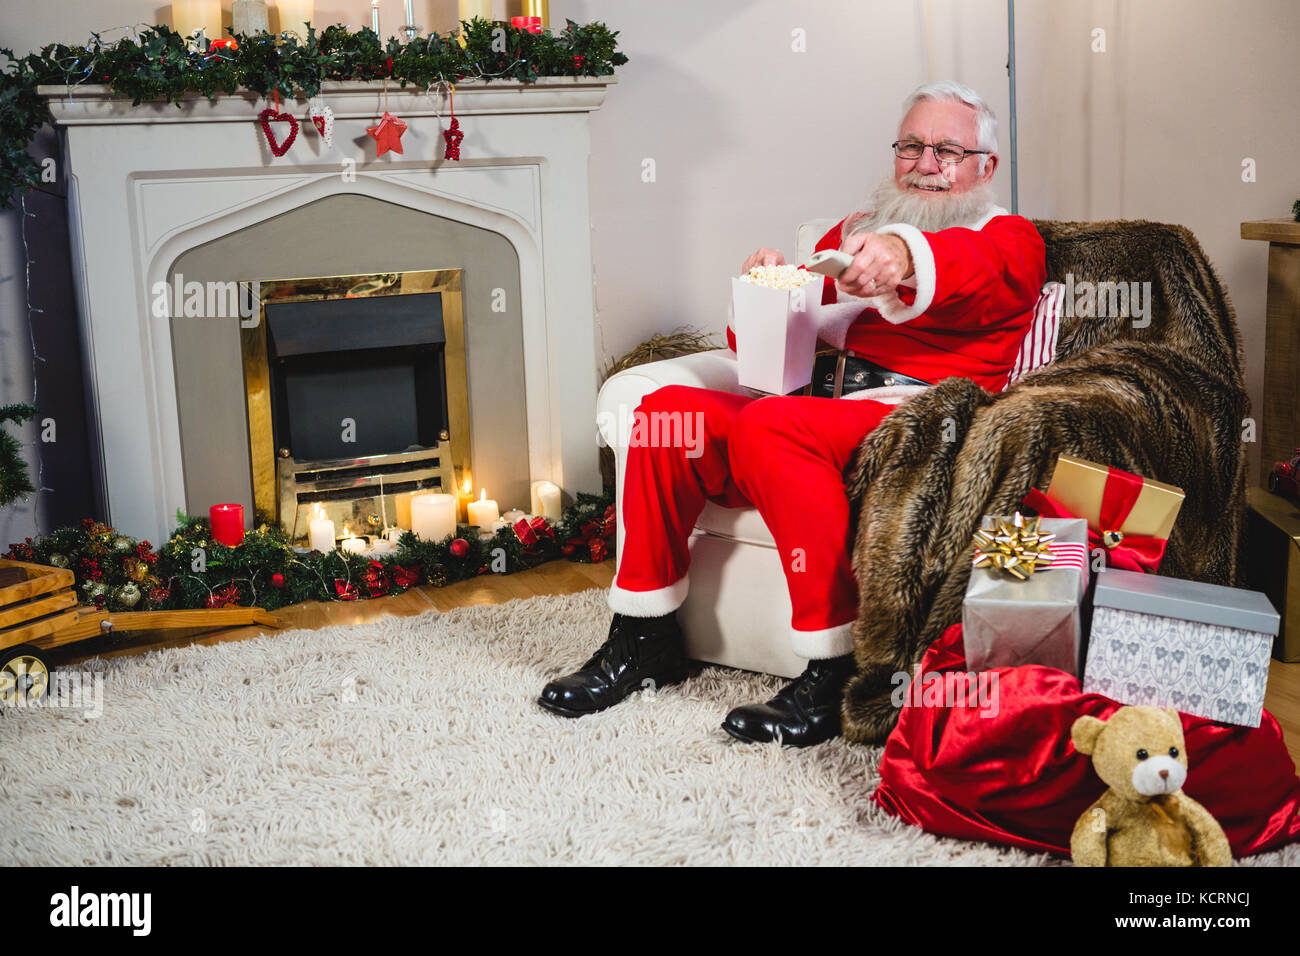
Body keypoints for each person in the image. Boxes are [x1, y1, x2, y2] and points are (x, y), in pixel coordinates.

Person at [538, 80, 1048, 746]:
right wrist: (765, 292)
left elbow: (963, 268)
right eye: (912, 145)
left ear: (986, 166)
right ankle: (644, 635)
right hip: (814, 407)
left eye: (948, 150)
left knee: (770, 425)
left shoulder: (1010, 239)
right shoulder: (850, 233)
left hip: (916, 419)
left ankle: (834, 663)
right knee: (666, 415)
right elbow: (764, 358)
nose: (926, 163)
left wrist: (898, 258)